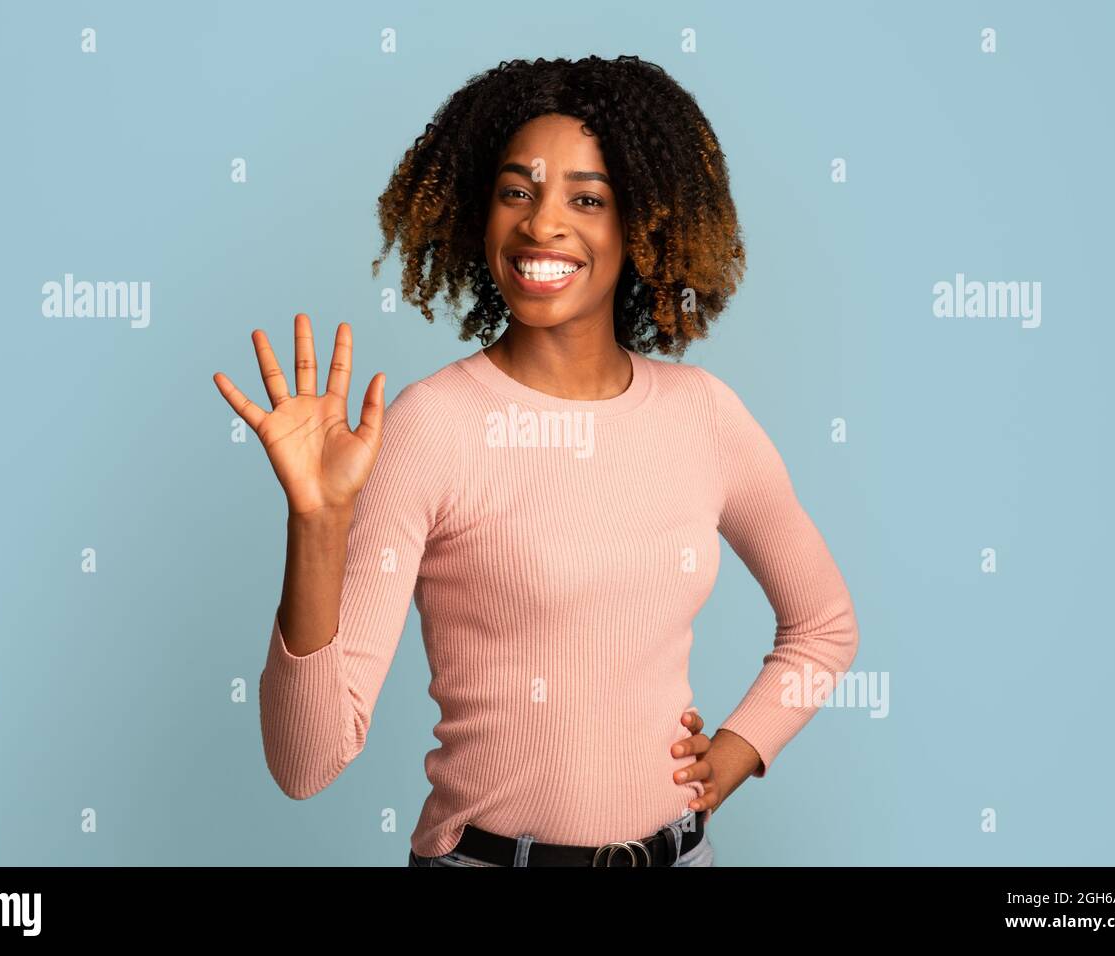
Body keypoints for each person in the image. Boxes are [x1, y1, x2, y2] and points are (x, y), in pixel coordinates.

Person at [213, 55, 860, 867]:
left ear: (643, 225)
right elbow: (307, 764)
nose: (542, 224)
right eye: (517, 191)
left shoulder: (704, 415)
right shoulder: (433, 426)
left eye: (586, 199)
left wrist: (736, 753)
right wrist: (314, 522)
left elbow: (824, 627)